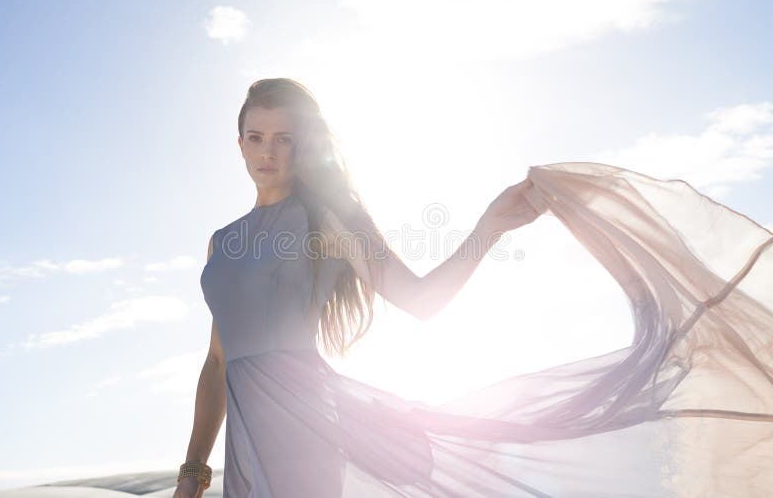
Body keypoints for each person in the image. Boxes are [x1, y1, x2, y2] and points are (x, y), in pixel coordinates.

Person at [174, 78, 773, 498]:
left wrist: (488, 227)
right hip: (242, 450)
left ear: (303, 144)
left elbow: (421, 300)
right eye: (256, 137)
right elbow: (215, 364)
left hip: (307, 430)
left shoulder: (326, 219)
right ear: (239, 144)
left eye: (283, 138)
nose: (268, 152)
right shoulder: (219, 243)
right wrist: (193, 472)